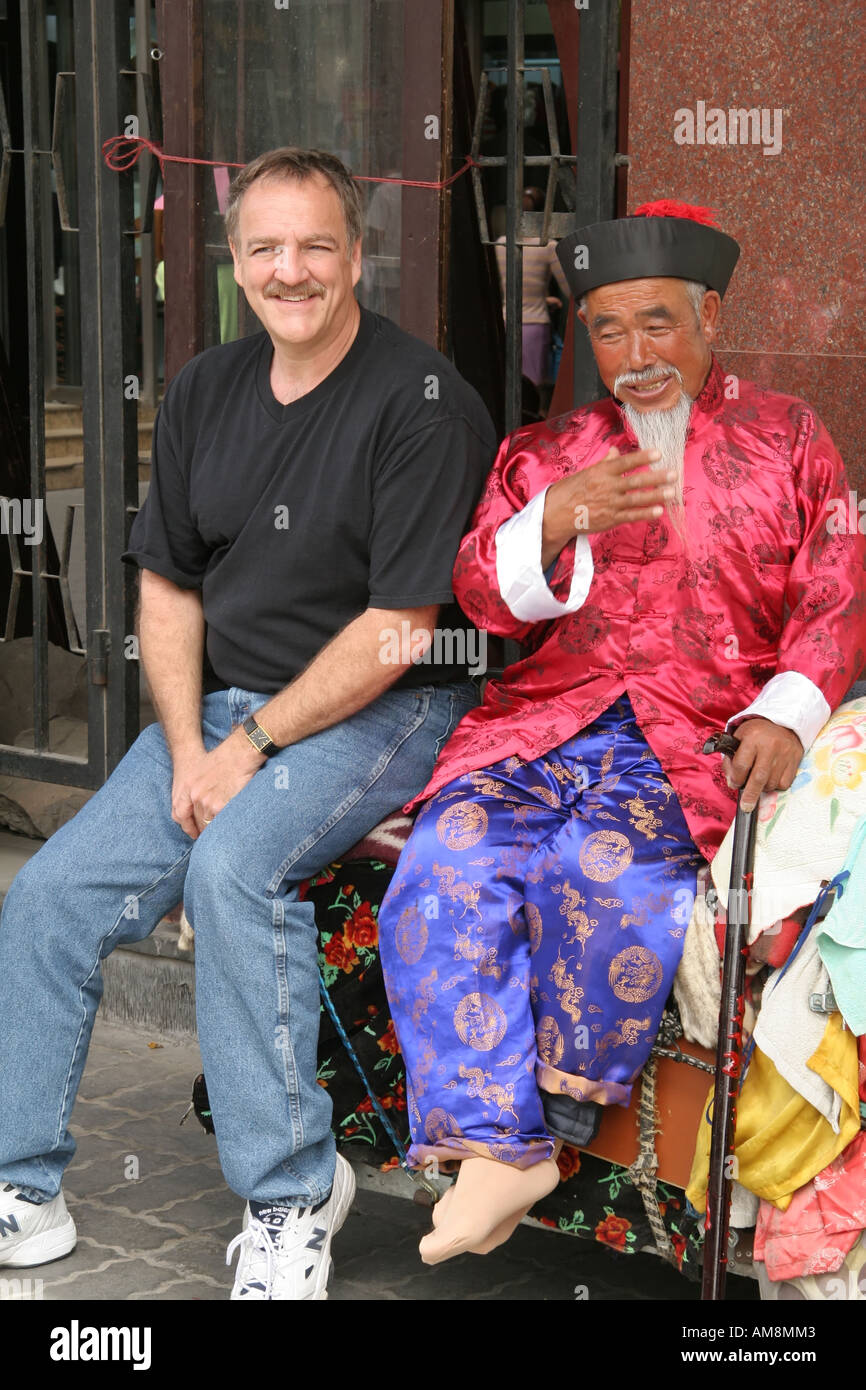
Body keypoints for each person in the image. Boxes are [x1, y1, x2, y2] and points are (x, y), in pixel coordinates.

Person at [0, 147, 496, 1299]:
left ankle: (288, 1196)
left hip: (382, 706)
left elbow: (398, 627)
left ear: (356, 254)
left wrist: (250, 748)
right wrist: (187, 749)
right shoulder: (206, 388)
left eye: (315, 244)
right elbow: (167, 584)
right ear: (232, 265)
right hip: (216, 715)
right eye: (264, 248)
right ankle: (22, 1184)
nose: (290, 270)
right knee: (47, 897)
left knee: (231, 867)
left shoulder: (424, 402)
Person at [377, 199, 866, 1265]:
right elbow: (477, 595)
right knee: (441, 866)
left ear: (708, 317)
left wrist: (785, 715)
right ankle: (495, 1149)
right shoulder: (545, 448)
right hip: (541, 726)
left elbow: (835, 594)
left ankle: (539, 1132)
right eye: (606, 330)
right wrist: (552, 518)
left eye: (656, 324)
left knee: (607, 880)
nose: (633, 354)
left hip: (689, 738)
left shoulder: (787, 437)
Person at [494, 187, 570, 392]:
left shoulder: (501, 244)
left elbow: (507, 289)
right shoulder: (547, 246)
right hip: (535, 325)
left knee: (506, 387)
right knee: (534, 390)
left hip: (504, 322)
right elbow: (570, 288)